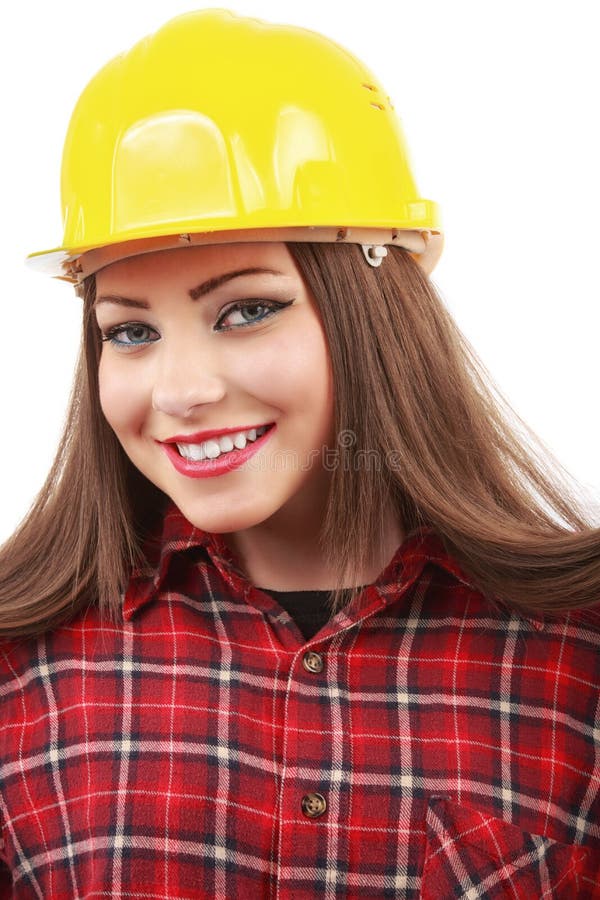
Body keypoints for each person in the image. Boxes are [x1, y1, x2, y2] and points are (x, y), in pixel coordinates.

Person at [0, 9, 598, 898]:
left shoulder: (576, 659)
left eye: (246, 310)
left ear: (375, 314)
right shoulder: (24, 667)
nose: (179, 390)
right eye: (130, 330)